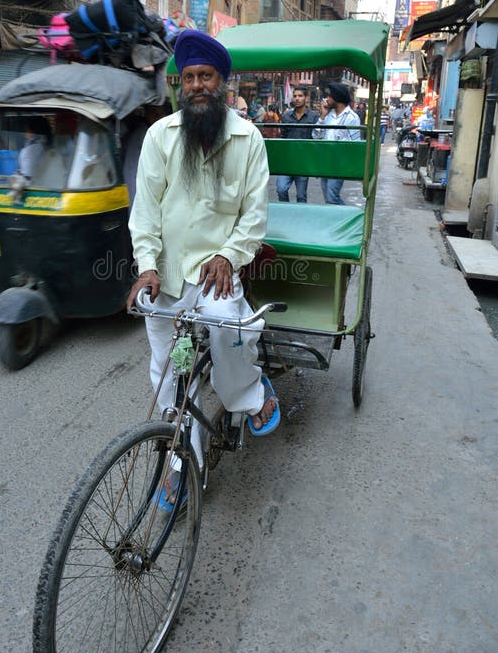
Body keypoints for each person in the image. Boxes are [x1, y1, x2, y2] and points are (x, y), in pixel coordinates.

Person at [126, 30, 280, 502]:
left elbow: (253, 219)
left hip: (217, 276)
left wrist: (228, 257)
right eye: (188, 77)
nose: (196, 85)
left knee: (226, 328)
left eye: (205, 76)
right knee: (168, 374)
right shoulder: (160, 136)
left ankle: (251, 394)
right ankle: (181, 464)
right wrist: (147, 266)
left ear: (222, 83)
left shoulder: (248, 138)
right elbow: (146, 212)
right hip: (168, 277)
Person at [317, 83, 361, 205]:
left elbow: (355, 144)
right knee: (327, 196)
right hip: (325, 161)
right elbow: (316, 136)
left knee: (332, 196)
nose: (327, 99)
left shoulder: (352, 117)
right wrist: (322, 117)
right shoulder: (328, 116)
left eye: (330, 96)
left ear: (337, 97)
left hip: (338, 163)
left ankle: (348, 216)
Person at [276, 84, 319, 203]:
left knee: (301, 196)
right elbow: (283, 137)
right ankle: (287, 213)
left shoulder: (314, 117)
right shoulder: (287, 116)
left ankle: (300, 218)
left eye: (300, 96)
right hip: (287, 161)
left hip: (303, 162)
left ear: (306, 98)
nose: (297, 98)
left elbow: (316, 139)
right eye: (295, 96)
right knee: (281, 189)